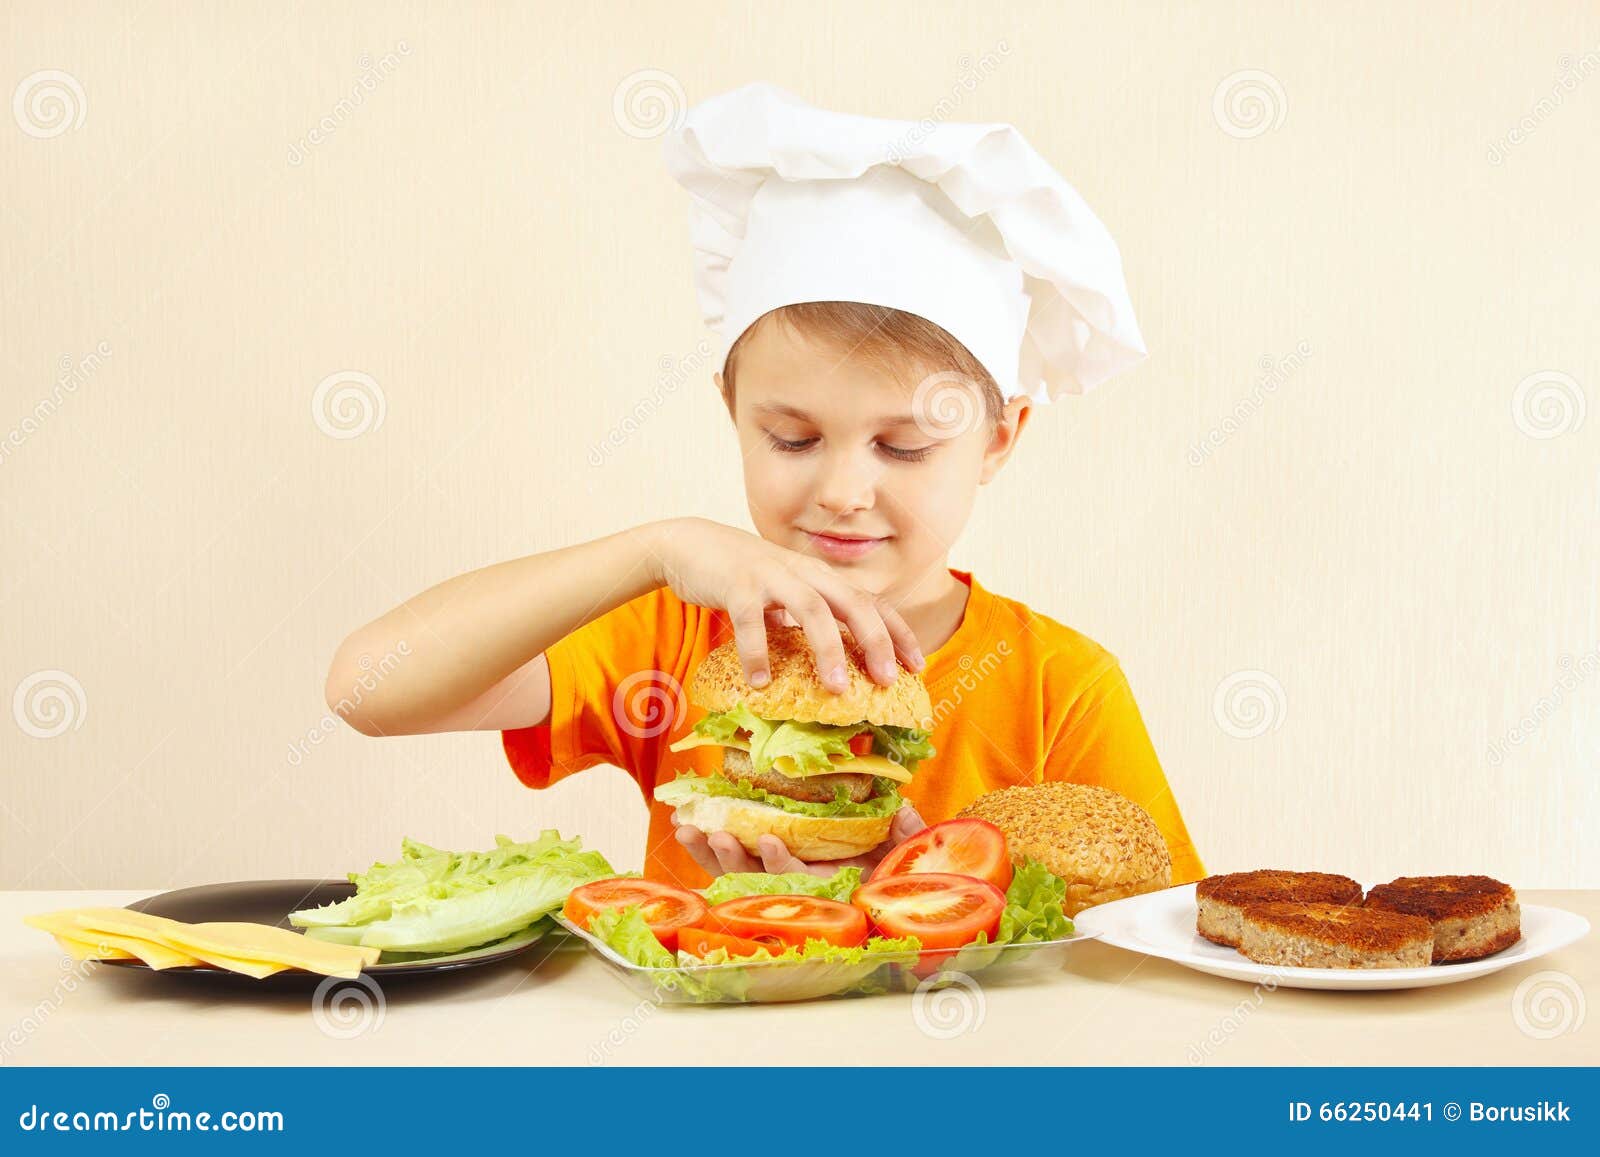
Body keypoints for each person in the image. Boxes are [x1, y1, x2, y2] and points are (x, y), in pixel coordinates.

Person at [325, 83, 1205, 888]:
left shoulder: (1062, 683)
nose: (844, 490)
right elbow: (366, 687)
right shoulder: (673, 637)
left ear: (998, 439)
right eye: (793, 437)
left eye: (902, 447)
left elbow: (1153, 929)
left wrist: (941, 889)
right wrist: (656, 549)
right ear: (733, 409)